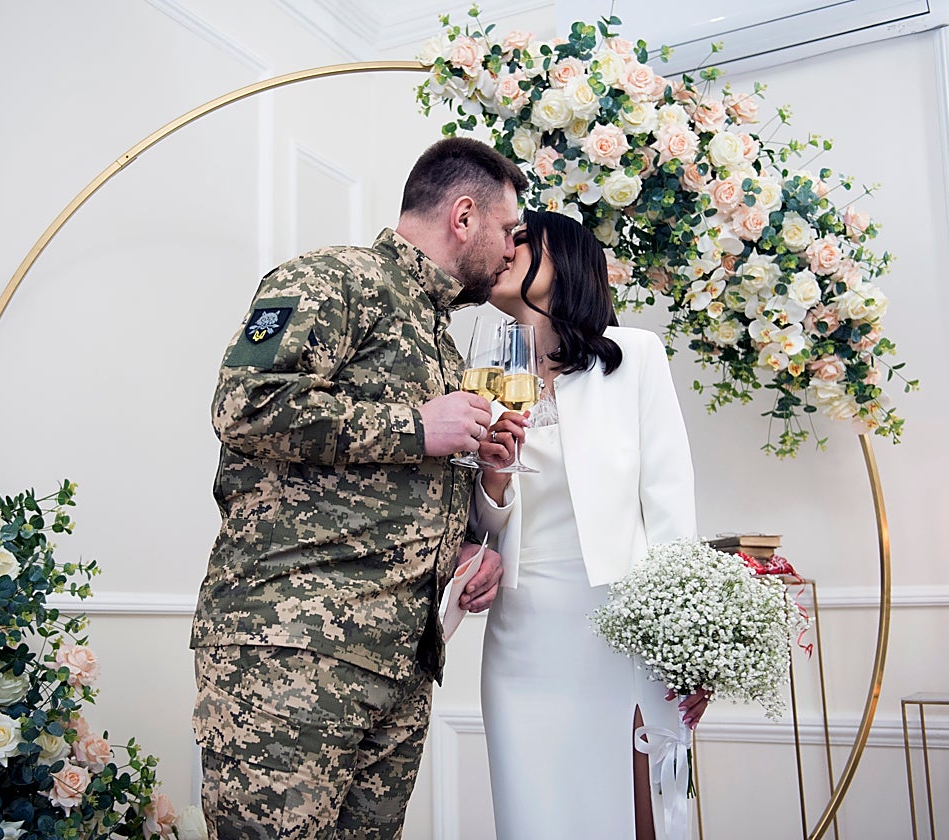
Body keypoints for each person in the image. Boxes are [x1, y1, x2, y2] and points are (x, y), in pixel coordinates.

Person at [189, 137, 529, 840]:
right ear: (463, 217)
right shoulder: (332, 278)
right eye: (506, 232)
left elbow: (393, 485)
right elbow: (245, 407)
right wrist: (415, 426)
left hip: (401, 656)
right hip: (297, 641)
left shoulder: (437, 332)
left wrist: (468, 544)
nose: (507, 254)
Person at [472, 209, 710, 839]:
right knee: (535, 816)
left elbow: (670, 505)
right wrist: (493, 479)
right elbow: (479, 525)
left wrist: (686, 648)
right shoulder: (484, 374)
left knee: (633, 813)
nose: (504, 249)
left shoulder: (634, 355)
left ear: (569, 255)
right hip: (521, 639)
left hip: (620, 626)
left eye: (521, 239)